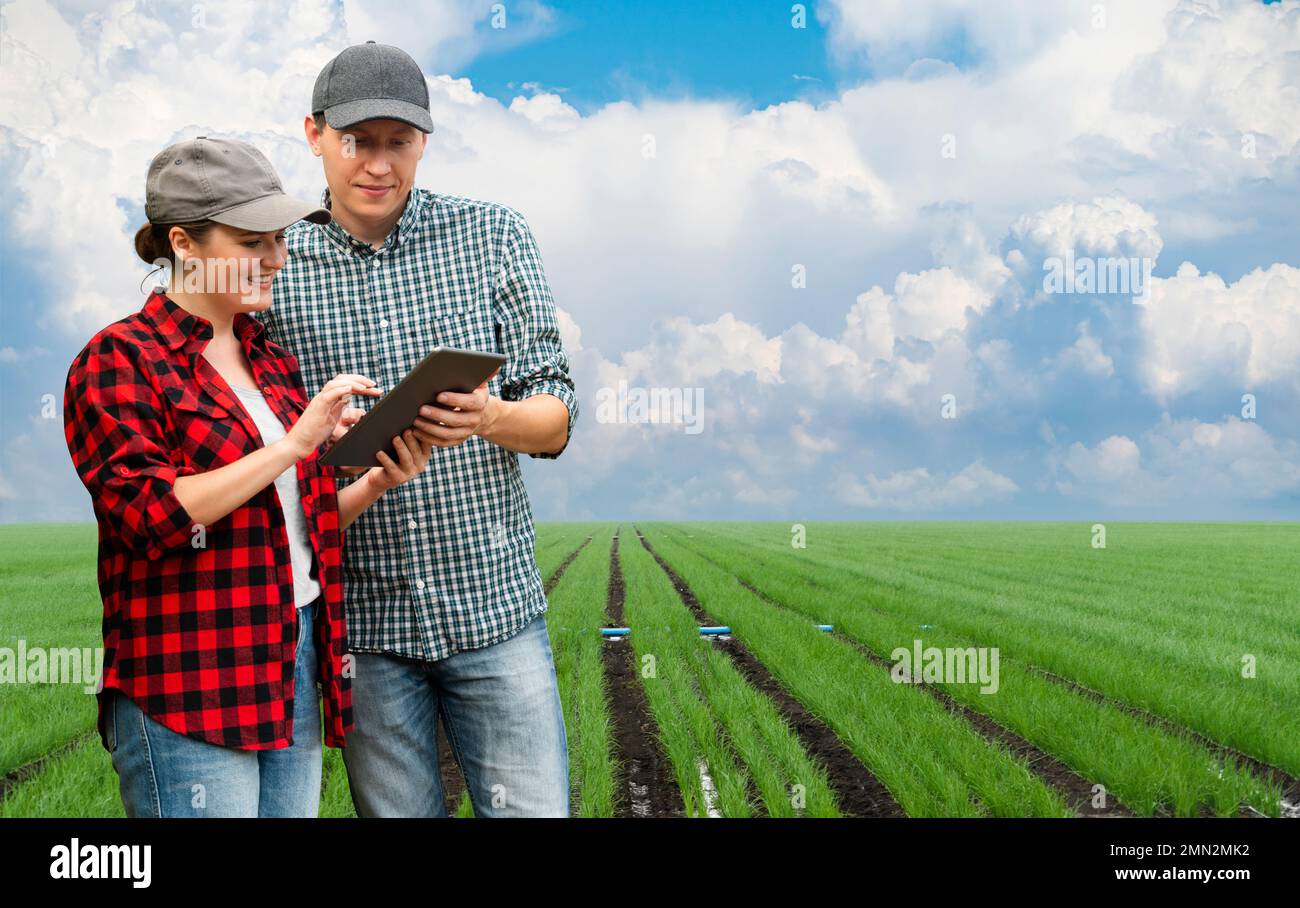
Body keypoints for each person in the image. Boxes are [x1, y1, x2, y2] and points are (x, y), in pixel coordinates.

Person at [63, 136, 433, 817]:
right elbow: (151, 516)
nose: (275, 260)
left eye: (279, 240)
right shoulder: (118, 360)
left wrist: (378, 478)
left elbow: (297, 524)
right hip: (190, 678)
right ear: (184, 243)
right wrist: (294, 445)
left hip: (288, 659)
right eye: (251, 241)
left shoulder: (271, 360)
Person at [255, 42, 577, 817]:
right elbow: (256, 429)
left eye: (397, 141)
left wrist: (493, 416)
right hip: (364, 629)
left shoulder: (493, 235)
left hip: (494, 611)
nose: (377, 164)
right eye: (355, 140)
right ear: (314, 134)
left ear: (424, 140)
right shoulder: (274, 260)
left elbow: (557, 417)